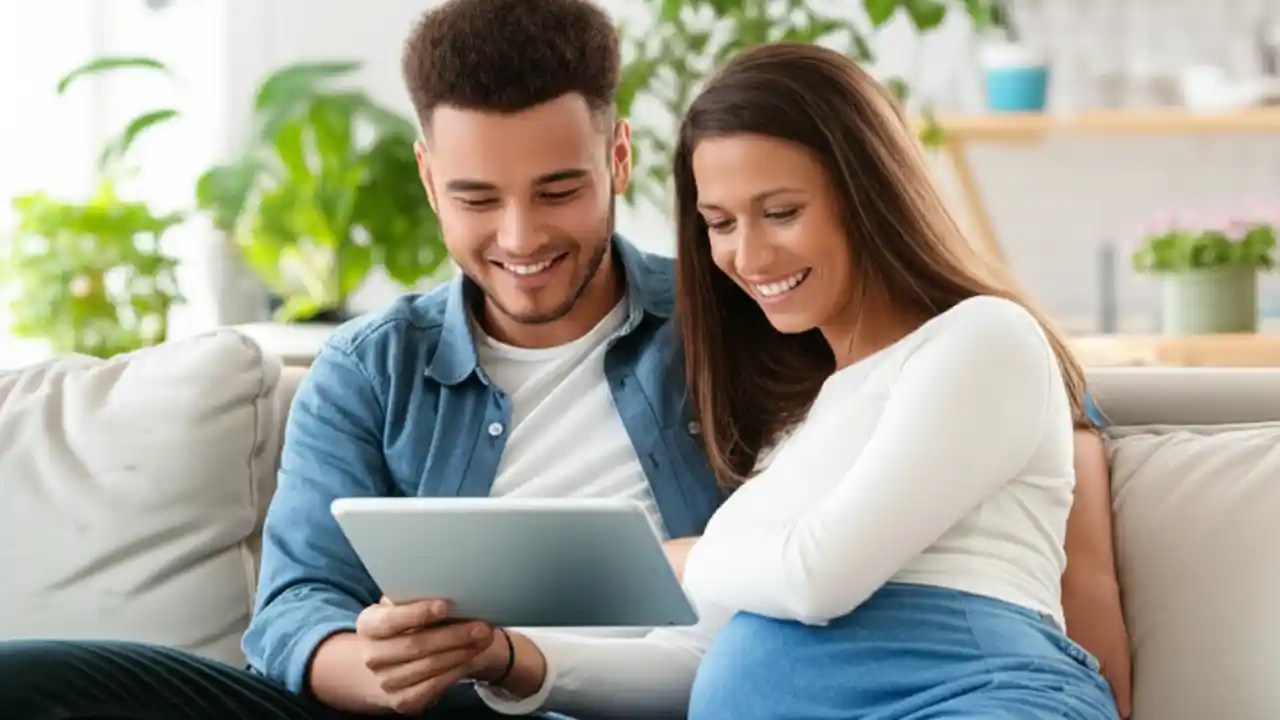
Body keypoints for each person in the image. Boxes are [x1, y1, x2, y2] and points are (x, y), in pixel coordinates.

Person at [0, 2, 1126, 719]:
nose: (522, 238)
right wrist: (414, 663)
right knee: (39, 678)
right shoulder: (369, 369)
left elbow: (983, 443)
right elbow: (293, 609)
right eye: (477, 198)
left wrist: (676, 556)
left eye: (558, 191)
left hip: (644, 701)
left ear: (617, 157)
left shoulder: (740, 333)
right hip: (451, 697)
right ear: (428, 178)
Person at [658, 41, 1123, 718]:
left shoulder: (985, 337)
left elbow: (819, 577)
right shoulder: (793, 429)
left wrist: (670, 556)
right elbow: (694, 654)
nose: (748, 255)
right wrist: (516, 661)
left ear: (867, 194)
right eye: (719, 224)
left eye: (782, 212)